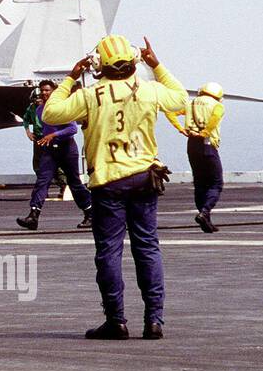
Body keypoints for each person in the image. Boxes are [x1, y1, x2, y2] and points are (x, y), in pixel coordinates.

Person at [43, 35, 187, 341]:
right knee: (147, 247)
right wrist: (156, 65)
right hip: (144, 178)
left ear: (99, 65)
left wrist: (70, 78)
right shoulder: (148, 90)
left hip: (108, 183)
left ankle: (116, 321)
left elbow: (51, 114)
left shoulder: (90, 95)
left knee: (109, 251)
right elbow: (180, 100)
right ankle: (154, 321)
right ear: (133, 61)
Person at [16, 80, 93, 230]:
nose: (44, 93)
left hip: (67, 149)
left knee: (74, 183)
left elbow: (72, 129)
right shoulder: (39, 110)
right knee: (42, 181)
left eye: (47, 90)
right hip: (50, 150)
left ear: (54, 92)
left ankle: (90, 212)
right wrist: (34, 134)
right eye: (42, 91)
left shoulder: (62, 108)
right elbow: (33, 122)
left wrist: (53, 135)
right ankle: (33, 215)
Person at [165, 82, 226, 233]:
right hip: (207, 145)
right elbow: (216, 118)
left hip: (192, 145)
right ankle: (205, 212)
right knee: (216, 183)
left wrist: (180, 129)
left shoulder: (190, 103)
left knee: (199, 183)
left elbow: (169, 112)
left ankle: (205, 220)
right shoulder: (217, 105)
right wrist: (205, 133)